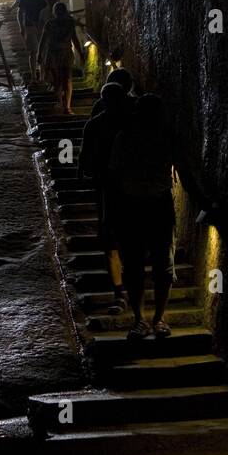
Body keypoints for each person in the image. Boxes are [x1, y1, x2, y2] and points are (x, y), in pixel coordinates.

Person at [108, 92, 177, 340]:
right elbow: (114, 178)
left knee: (153, 265)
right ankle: (147, 319)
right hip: (138, 204)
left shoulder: (158, 137)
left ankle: (151, 319)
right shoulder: (126, 138)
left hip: (150, 203)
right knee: (144, 265)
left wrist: (110, 214)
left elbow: (113, 178)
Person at [79, 83, 129, 313]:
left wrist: (84, 175)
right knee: (118, 239)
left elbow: (83, 156)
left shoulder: (96, 124)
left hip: (108, 189)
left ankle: (119, 291)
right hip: (125, 189)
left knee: (111, 241)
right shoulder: (134, 124)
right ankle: (122, 290)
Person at [37, 0, 84, 113]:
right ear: (65, 11)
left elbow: (43, 41)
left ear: (54, 12)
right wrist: (81, 54)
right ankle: (66, 106)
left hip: (54, 54)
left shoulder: (50, 23)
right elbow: (75, 40)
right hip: (65, 53)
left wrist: (40, 54)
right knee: (67, 79)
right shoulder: (69, 23)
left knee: (57, 80)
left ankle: (62, 104)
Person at [18, 0, 47, 79]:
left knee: (40, 51)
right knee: (34, 51)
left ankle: (41, 76)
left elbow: (20, 11)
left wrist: (21, 25)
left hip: (41, 25)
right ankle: (35, 75)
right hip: (31, 24)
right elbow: (20, 11)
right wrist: (21, 25)